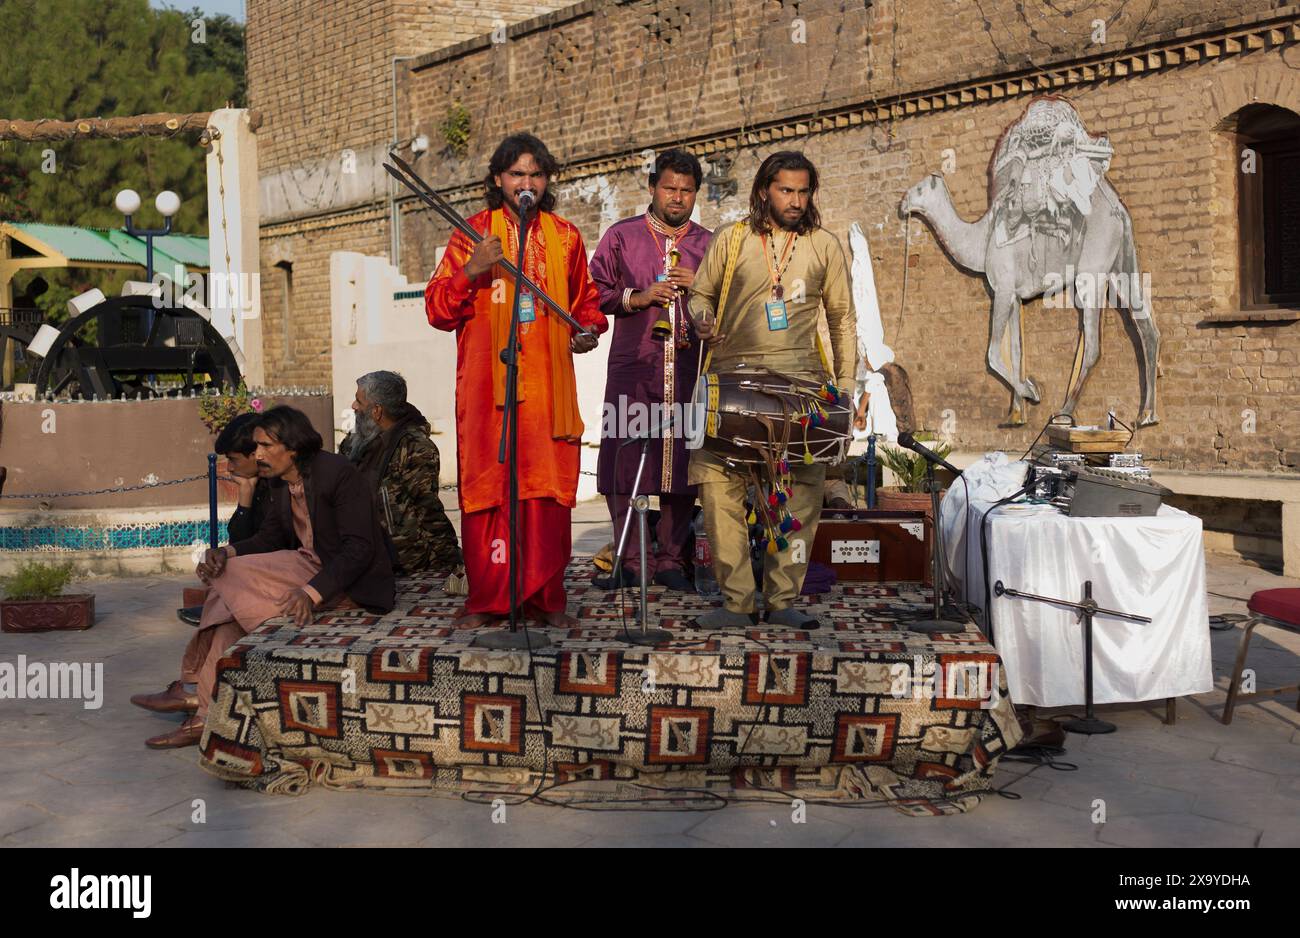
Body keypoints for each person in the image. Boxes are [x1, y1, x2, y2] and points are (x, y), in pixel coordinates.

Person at [424, 133, 607, 628]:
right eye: (516, 175)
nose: (526, 183)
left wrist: (587, 330)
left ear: (546, 182)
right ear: (498, 180)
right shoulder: (472, 233)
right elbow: (438, 309)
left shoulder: (566, 236)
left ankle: (545, 601)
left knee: (543, 494)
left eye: (536, 175)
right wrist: (472, 269)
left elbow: (586, 304)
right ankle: (489, 600)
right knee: (491, 493)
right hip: (487, 391)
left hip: (547, 393)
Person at [132, 406, 395, 748]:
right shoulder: (278, 483)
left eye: (265, 446)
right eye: (255, 447)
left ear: (293, 447)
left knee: (229, 583)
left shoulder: (337, 474)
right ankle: (204, 716)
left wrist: (311, 593)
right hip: (304, 564)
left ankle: (192, 687)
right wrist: (224, 552)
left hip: (350, 582)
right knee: (228, 599)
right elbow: (268, 538)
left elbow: (359, 549)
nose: (257, 455)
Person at [688, 151, 857, 628]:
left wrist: (844, 386)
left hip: (801, 385)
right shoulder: (732, 238)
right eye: (787, 190)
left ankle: (783, 599)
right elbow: (701, 294)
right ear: (764, 189)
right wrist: (701, 320)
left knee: (801, 492)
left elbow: (842, 319)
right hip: (730, 379)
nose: (796, 201)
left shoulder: (824, 245)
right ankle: (737, 602)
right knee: (719, 490)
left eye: (804, 192)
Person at [589, 149, 710, 591]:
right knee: (624, 464)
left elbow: (732, 301)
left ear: (696, 193)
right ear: (652, 187)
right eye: (669, 187)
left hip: (689, 373)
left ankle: (672, 561)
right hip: (634, 369)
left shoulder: (709, 245)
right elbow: (594, 294)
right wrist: (638, 297)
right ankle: (630, 557)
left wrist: (700, 288)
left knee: (682, 466)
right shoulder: (622, 237)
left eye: (687, 190)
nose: (677, 198)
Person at [342, 370, 462, 575]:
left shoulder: (416, 447)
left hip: (405, 560)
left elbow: (428, 509)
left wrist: (450, 561)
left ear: (376, 411)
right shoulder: (355, 441)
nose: (353, 407)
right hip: (358, 550)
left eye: (358, 401)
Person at [176, 413, 272, 625]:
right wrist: (245, 495)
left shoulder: (280, 486)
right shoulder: (257, 485)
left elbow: (266, 541)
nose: (229, 467)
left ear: (256, 454)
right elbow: (238, 539)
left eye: (233, 459)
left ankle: (222, 608)